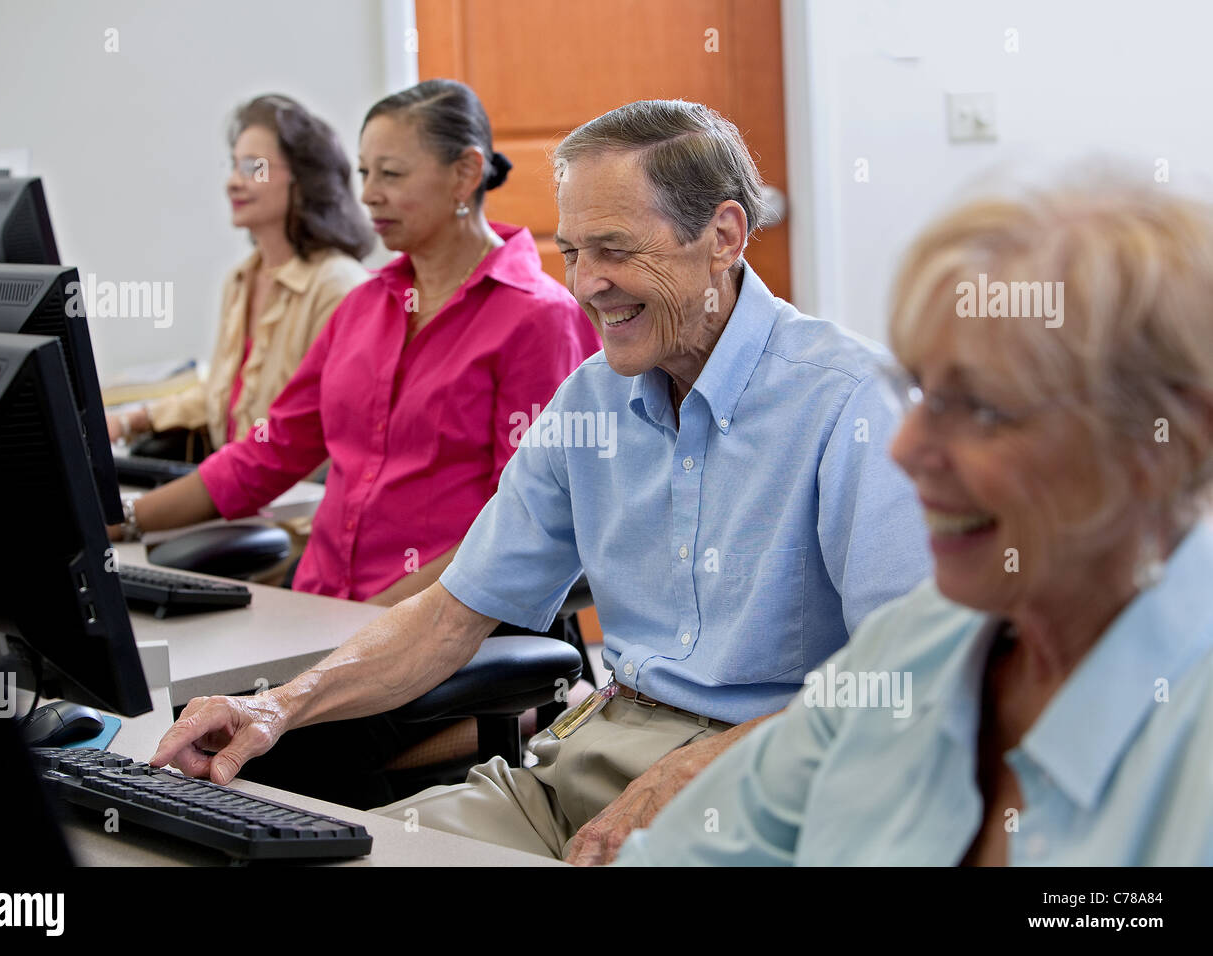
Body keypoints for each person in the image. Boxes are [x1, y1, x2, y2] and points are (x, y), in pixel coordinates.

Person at [149, 99, 930, 862]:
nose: (587, 284)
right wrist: (276, 706)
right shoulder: (592, 398)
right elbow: (449, 618)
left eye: (615, 250)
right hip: (582, 763)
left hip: (768, 774)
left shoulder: (850, 401)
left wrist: (706, 768)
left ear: (723, 235)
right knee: (348, 854)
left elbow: (915, 679)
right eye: (573, 253)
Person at [616, 181, 1213, 866]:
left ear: (1168, 443)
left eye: (984, 407)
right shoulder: (918, 643)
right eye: (919, 391)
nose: (905, 448)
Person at [114, 79, 598, 808]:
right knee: (159, 729)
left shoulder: (537, 320)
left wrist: (371, 628)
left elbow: (518, 532)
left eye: (392, 174)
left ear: (467, 174)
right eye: (364, 173)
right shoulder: (367, 305)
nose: (368, 193)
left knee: (239, 769)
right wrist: (123, 520)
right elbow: (266, 453)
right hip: (317, 628)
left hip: (421, 641)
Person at [107, 94, 373, 457]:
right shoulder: (241, 279)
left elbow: (320, 432)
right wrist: (131, 421)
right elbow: (223, 392)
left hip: (290, 505)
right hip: (237, 487)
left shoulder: (338, 286)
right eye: (233, 167)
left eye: (252, 168)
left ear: (304, 180)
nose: (232, 182)